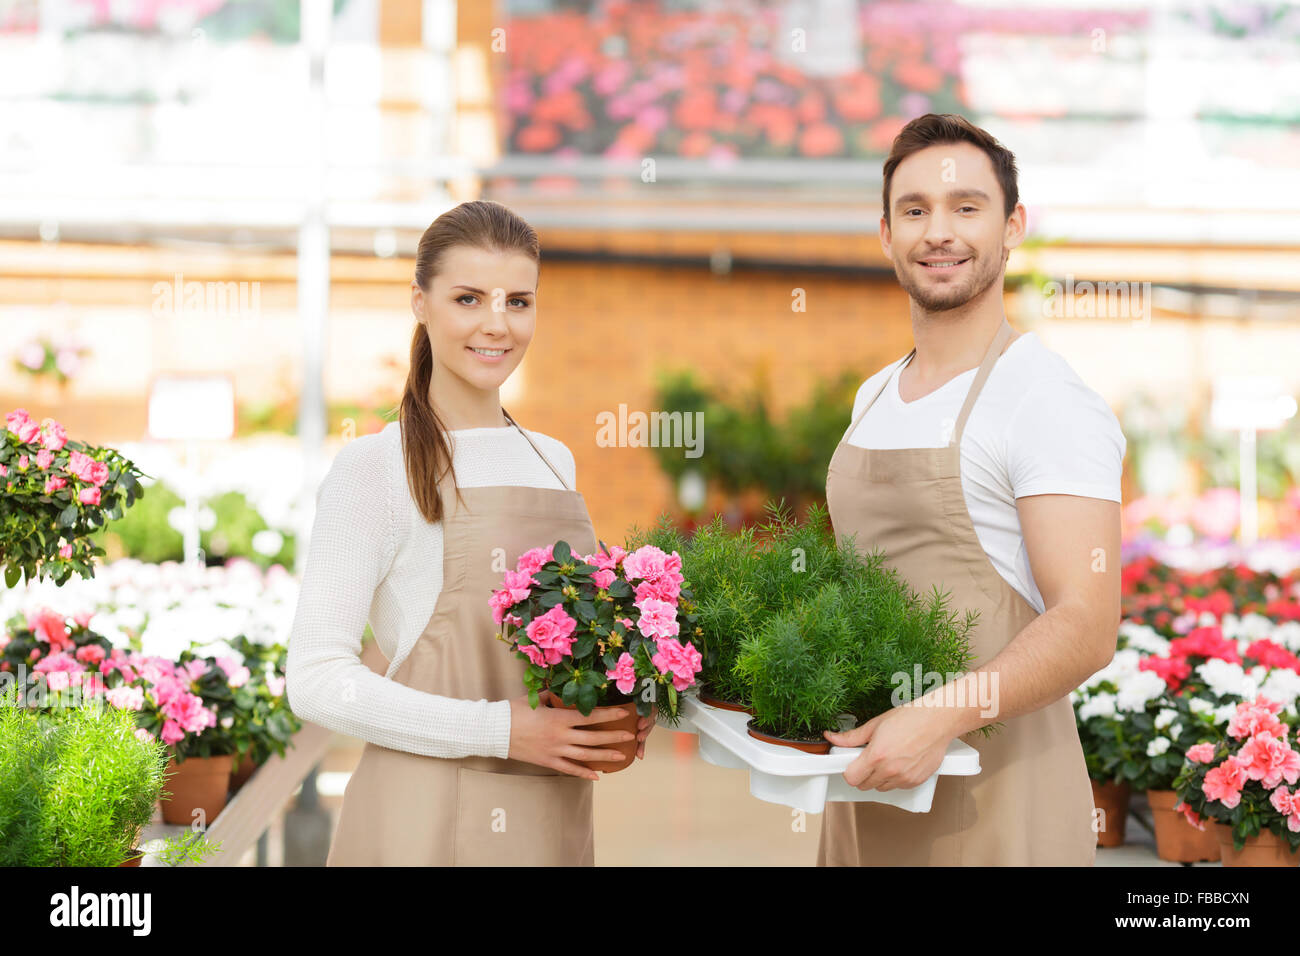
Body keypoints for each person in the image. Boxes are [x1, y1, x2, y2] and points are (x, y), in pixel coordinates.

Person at [285, 200, 653, 866]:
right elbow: (314, 678)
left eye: (518, 301)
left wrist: (625, 696)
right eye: (468, 298)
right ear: (420, 303)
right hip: (421, 820)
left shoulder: (552, 458)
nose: (496, 324)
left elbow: (573, 646)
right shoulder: (375, 468)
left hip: (549, 812)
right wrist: (502, 730)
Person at [817, 114, 1126, 865]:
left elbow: (1087, 624)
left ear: (1013, 225)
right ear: (886, 234)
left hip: (997, 793)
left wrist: (937, 717)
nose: (938, 232)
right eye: (915, 210)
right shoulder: (875, 395)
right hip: (868, 781)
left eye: (966, 207)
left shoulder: (1043, 397)